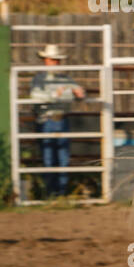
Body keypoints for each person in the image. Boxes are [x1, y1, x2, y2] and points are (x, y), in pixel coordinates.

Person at [30, 43, 85, 197]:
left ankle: (60, 192)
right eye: (52, 60)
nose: (55, 63)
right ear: (45, 60)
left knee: (62, 158)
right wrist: (57, 95)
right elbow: (36, 98)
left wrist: (79, 93)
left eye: (57, 60)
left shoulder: (65, 78)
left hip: (60, 119)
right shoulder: (38, 79)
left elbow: (78, 92)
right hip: (46, 120)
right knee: (48, 157)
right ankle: (50, 192)